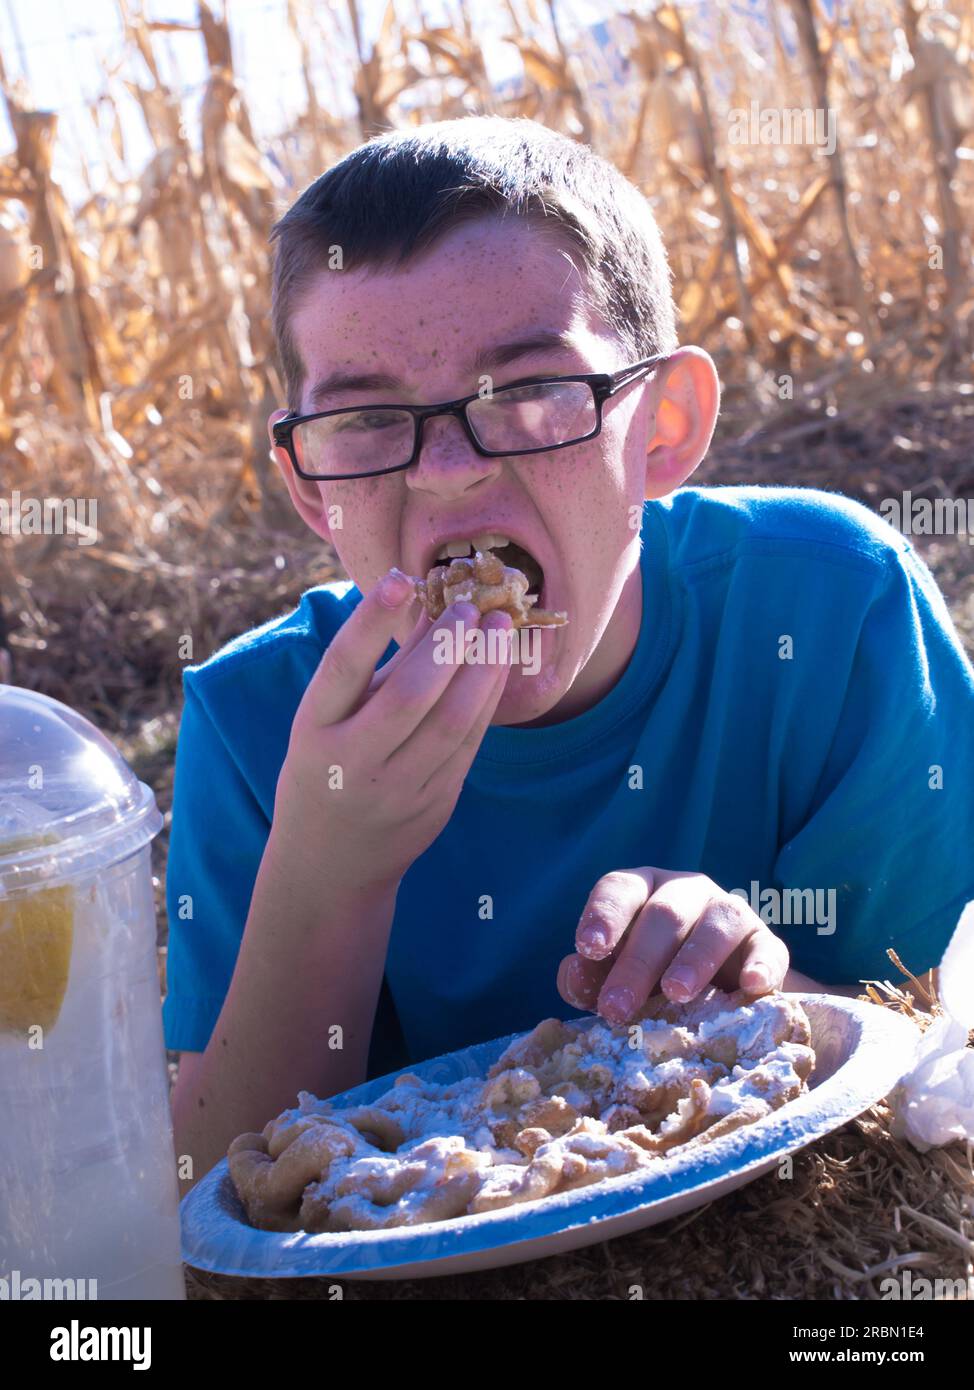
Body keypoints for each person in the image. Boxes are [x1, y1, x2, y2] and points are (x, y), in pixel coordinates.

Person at [165, 116, 974, 1187]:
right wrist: (325, 873)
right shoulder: (256, 721)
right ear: (311, 487)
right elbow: (206, 1187)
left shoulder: (828, 614)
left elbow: (939, 1035)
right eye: (363, 420)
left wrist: (773, 1006)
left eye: (530, 393)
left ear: (663, 427)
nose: (448, 472)